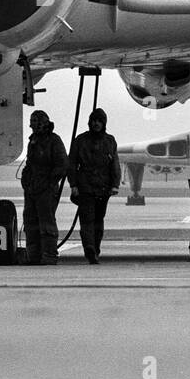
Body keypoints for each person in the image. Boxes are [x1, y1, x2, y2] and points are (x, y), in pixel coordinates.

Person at [66, 107, 120, 264]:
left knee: (98, 220)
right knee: (87, 220)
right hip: (85, 188)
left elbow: (114, 164)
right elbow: (72, 164)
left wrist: (115, 184)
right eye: (94, 121)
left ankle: (95, 248)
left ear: (104, 123)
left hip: (103, 188)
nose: (96, 124)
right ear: (90, 122)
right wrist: (74, 184)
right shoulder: (80, 140)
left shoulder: (110, 141)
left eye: (99, 121)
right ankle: (89, 248)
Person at [20, 110, 66, 265]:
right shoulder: (33, 141)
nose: (33, 125)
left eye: (35, 121)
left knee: (46, 223)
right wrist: (26, 181)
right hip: (32, 188)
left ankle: (49, 255)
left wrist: (49, 182)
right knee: (30, 221)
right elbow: (30, 164)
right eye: (32, 121)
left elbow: (62, 164)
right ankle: (33, 255)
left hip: (45, 189)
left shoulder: (54, 141)